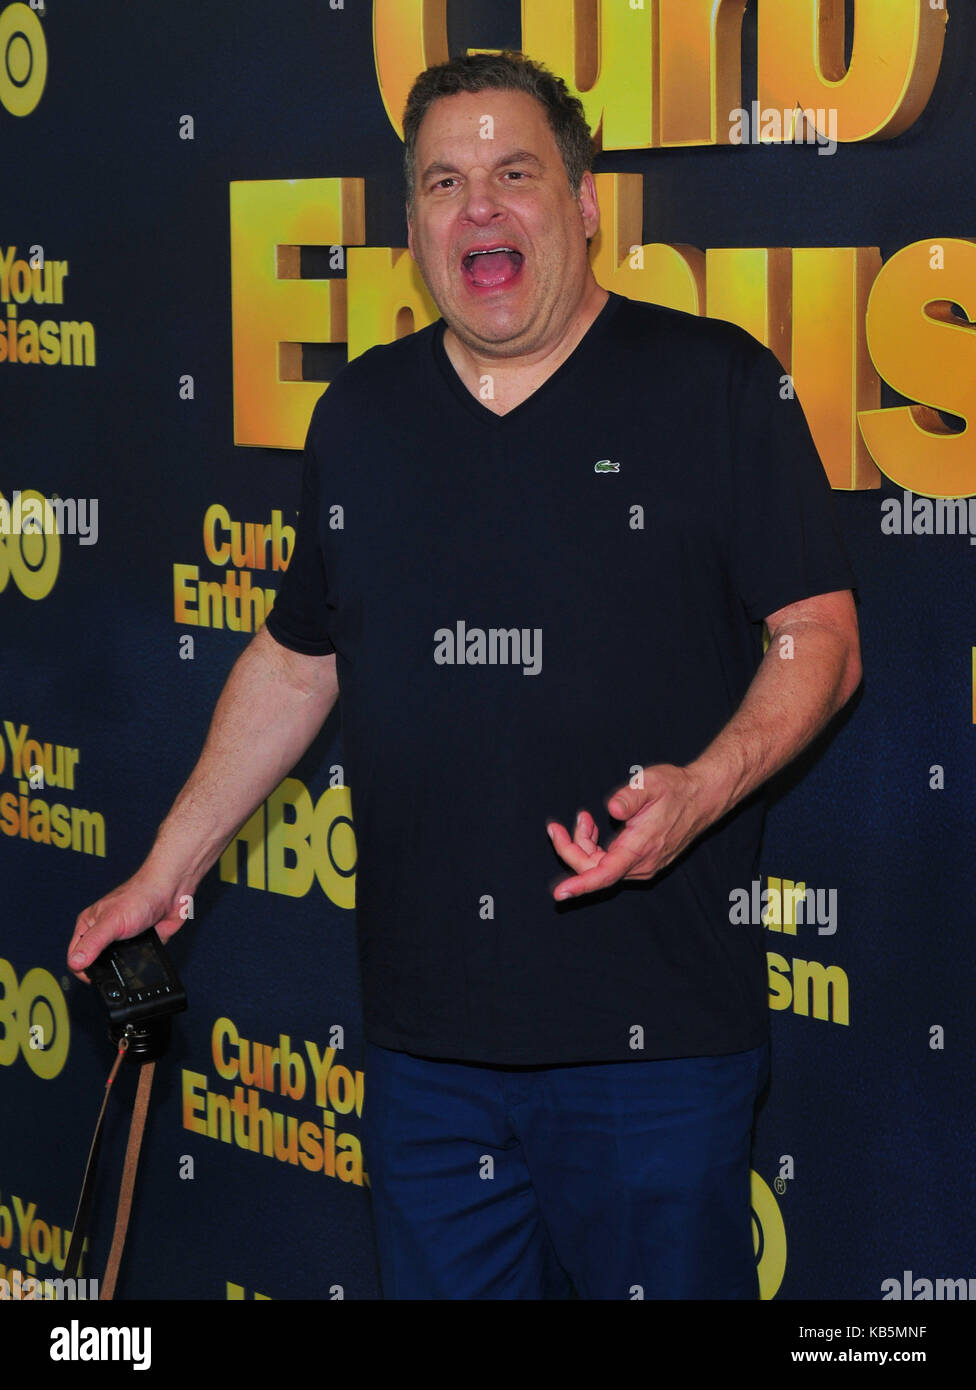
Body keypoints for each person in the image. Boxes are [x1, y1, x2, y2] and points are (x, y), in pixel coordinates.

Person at [69, 51, 861, 1300]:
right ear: (412, 229)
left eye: (513, 172)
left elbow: (818, 636)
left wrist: (705, 789)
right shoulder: (363, 416)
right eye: (444, 181)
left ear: (585, 203)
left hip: (649, 1053)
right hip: (426, 1058)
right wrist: (164, 870)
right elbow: (295, 660)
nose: (478, 207)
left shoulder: (714, 383)